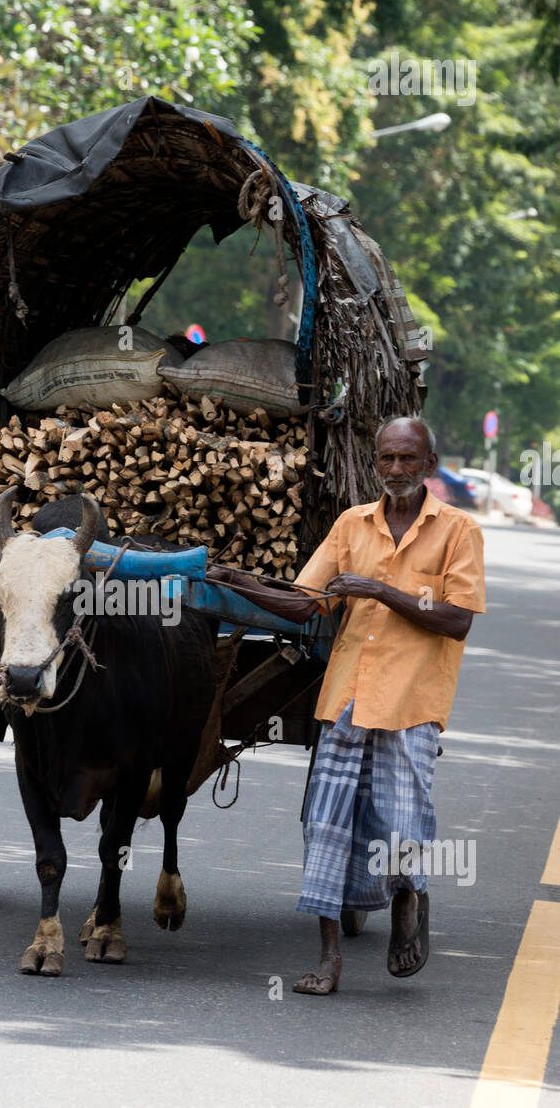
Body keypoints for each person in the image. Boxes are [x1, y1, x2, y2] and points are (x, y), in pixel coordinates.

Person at [206, 416, 486, 993]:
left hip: (411, 704)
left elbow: (457, 620)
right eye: (387, 459)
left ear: (430, 465)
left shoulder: (458, 531)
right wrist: (235, 581)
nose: (397, 470)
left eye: (409, 459)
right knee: (325, 826)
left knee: (402, 827)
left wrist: (380, 589)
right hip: (347, 702)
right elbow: (306, 605)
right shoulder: (351, 525)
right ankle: (329, 959)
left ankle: (410, 895)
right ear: (375, 463)